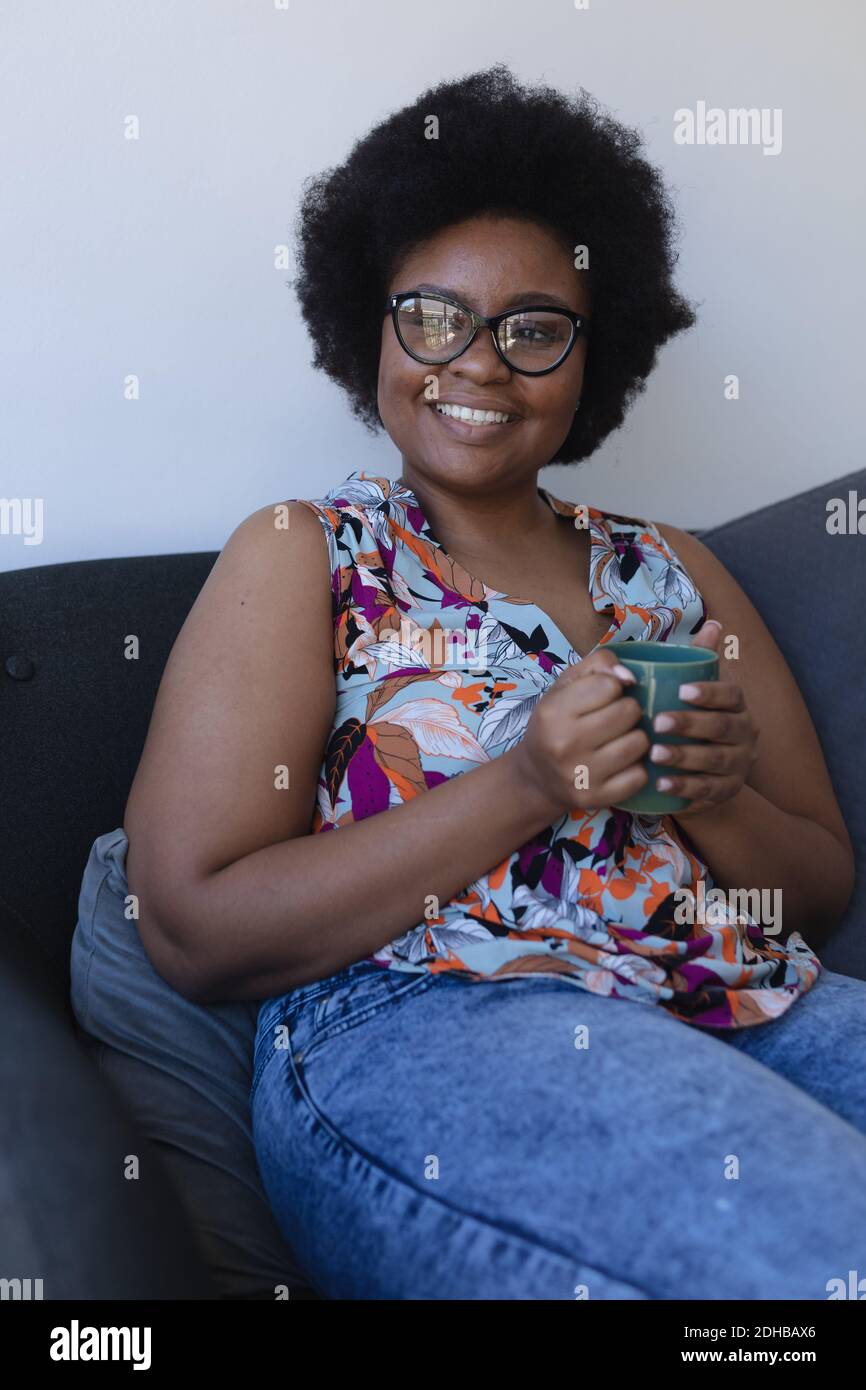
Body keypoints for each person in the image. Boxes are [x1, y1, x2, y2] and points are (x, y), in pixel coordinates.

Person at [121, 65, 866, 1299]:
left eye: (530, 327)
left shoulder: (672, 569)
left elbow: (814, 902)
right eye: (431, 316)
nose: (475, 363)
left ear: (590, 354)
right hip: (436, 1023)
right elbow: (193, 925)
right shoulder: (305, 550)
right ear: (370, 322)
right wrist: (529, 780)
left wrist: (707, 792)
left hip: (745, 998)